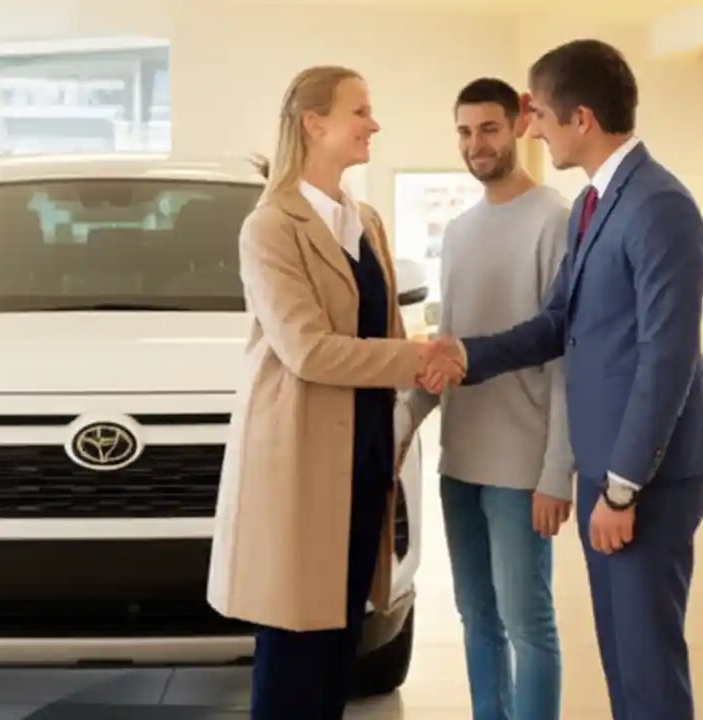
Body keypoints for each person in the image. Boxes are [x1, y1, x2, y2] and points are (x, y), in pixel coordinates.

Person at [421, 39, 703, 720]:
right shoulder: (598, 203)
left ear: (581, 119)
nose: (533, 130)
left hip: (645, 477)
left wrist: (620, 487)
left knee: (648, 664)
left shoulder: (658, 206)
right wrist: (466, 354)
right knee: (621, 655)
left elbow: (667, 358)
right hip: (606, 469)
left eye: (540, 117)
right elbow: (559, 322)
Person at [205, 65, 433, 719]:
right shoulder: (271, 226)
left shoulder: (366, 222)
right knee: (295, 647)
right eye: (361, 110)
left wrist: (425, 367)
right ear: (315, 123)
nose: (374, 124)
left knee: (340, 648)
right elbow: (306, 349)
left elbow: (385, 331)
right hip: (299, 465)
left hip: (364, 461)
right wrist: (418, 360)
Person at [398, 77, 573, 720]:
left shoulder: (554, 220)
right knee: (476, 616)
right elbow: (450, 348)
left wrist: (558, 471)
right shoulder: (461, 230)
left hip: (522, 468)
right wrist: (405, 422)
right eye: (465, 132)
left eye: (489, 129)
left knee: (529, 623)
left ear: (521, 124)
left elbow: (564, 356)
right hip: (460, 461)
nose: (476, 145)